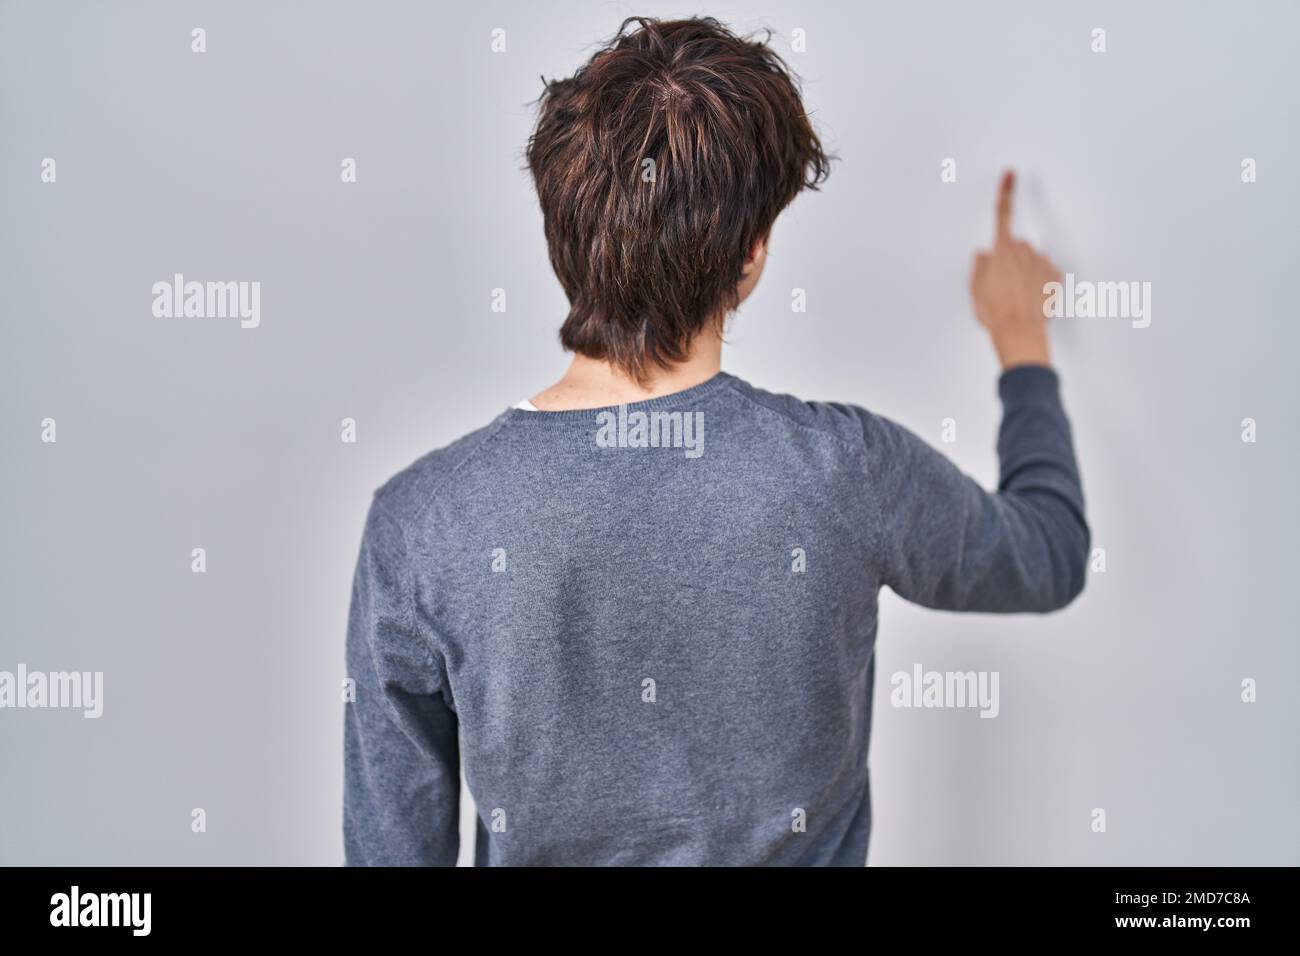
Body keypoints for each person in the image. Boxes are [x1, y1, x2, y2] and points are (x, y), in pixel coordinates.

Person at [344, 16, 1087, 866]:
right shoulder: (847, 473)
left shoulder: (419, 526)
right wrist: (1023, 348)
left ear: (561, 236)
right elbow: (1053, 553)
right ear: (753, 257)